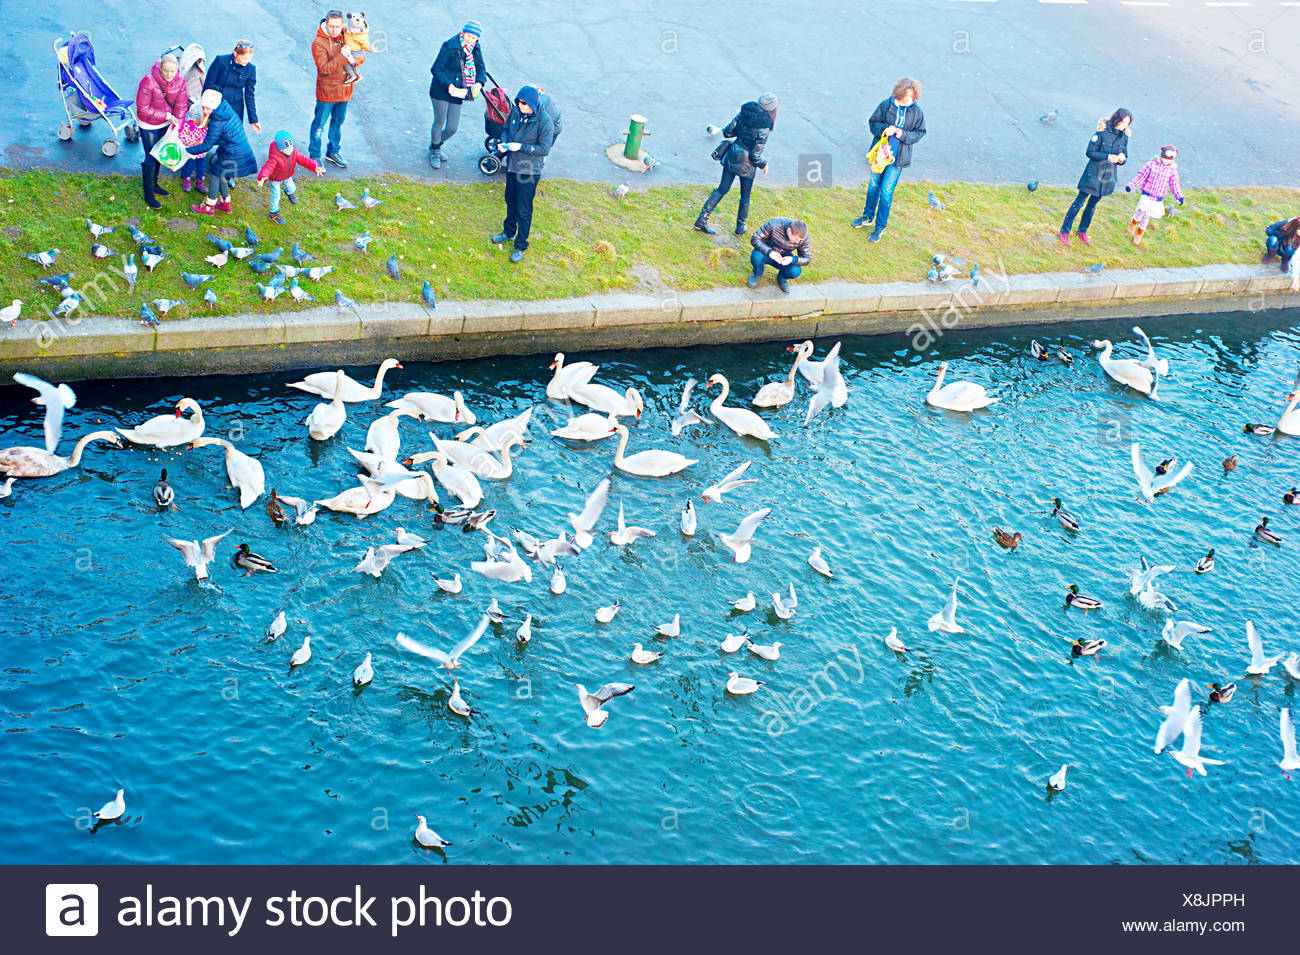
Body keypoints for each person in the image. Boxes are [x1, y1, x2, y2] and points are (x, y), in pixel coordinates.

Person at [851, 77, 926, 242]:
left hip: (897, 159)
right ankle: (867, 216)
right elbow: (873, 123)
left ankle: (879, 228)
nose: (908, 100)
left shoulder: (916, 112)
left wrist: (904, 135)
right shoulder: (886, 105)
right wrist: (885, 129)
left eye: (911, 97)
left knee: (886, 192)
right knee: (873, 187)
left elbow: (920, 132)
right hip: (880, 155)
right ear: (898, 93)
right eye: (906, 96)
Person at [490, 85, 556, 264]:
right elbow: (505, 130)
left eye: (524, 104)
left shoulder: (545, 122)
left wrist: (521, 147)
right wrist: (504, 142)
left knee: (524, 208)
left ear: (533, 105)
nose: (520, 107)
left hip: (529, 170)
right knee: (510, 200)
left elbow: (544, 149)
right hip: (513, 165)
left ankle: (520, 245)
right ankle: (508, 232)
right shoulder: (516, 112)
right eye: (519, 103)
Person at [694, 92, 777, 236]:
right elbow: (754, 156)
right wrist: (764, 164)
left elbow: (727, 132)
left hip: (733, 154)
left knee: (722, 189)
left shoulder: (745, 112)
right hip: (747, 164)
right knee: (745, 195)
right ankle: (740, 227)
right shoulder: (764, 127)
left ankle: (701, 220)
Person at [1058, 108, 1131, 246]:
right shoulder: (1101, 133)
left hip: (1107, 177)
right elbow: (1090, 152)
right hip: (1093, 174)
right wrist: (1108, 156)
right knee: (1078, 203)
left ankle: (1082, 231)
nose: (1124, 126)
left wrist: (1122, 158)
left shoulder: (1124, 137)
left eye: (1127, 123)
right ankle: (1064, 231)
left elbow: (1124, 156)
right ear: (1116, 119)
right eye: (1123, 122)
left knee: (1092, 206)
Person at [186, 90, 258, 215]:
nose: (206, 111)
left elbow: (206, 146)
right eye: (205, 107)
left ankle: (209, 206)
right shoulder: (225, 108)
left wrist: (186, 150)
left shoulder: (216, 122)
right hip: (238, 148)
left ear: (214, 106)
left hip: (232, 153)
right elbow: (221, 136)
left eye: (209, 108)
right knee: (222, 173)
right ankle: (225, 203)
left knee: (215, 173)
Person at [428, 21, 486, 169]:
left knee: (452, 127)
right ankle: (435, 151)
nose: (471, 40)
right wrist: (449, 85)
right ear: (463, 33)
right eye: (469, 36)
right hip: (441, 89)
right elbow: (436, 69)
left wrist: (479, 83)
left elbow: (481, 69)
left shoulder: (475, 48)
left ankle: (435, 144)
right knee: (439, 121)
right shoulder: (450, 46)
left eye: (474, 38)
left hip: (459, 91)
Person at [135, 53, 188, 210]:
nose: (169, 75)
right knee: (151, 157)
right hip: (149, 125)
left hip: (167, 122)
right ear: (160, 68)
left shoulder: (180, 81)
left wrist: (176, 125)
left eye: (173, 71)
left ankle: (155, 184)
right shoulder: (148, 81)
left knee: (160, 155)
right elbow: (142, 110)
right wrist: (166, 116)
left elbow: (182, 105)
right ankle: (148, 193)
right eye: (166, 71)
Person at [309, 11, 354, 167]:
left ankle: (333, 151)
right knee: (319, 125)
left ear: (342, 25)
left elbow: (358, 53)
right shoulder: (318, 43)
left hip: (345, 90)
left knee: (338, 123)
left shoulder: (345, 35)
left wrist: (356, 59)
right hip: (327, 93)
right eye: (331, 26)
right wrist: (342, 56)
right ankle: (314, 155)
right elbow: (324, 69)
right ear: (326, 24)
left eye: (337, 26)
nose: (335, 30)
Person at [256, 131, 325, 225]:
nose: (291, 150)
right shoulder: (274, 157)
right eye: (287, 148)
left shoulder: (294, 152)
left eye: (292, 147)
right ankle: (274, 214)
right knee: (276, 196)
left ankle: (288, 192)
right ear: (280, 149)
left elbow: (303, 160)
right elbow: (268, 168)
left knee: (292, 188)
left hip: (287, 176)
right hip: (275, 180)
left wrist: (314, 166)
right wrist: (263, 177)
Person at [1124, 145, 1185, 246]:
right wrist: (1131, 186)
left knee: (1147, 216)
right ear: (1161, 156)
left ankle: (1139, 235)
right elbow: (1141, 176)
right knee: (1141, 211)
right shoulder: (1151, 164)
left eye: (1169, 160)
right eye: (1164, 158)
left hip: (1157, 199)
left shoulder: (1172, 171)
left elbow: (1174, 184)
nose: (1166, 161)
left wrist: (1179, 197)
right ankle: (1133, 224)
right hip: (1147, 195)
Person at [203, 40, 260, 134]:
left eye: (249, 58)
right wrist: (206, 104)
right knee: (211, 134)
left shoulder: (251, 69)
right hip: (215, 102)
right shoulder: (220, 61)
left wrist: (253, 120)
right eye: (244, 58)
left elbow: (249, 95)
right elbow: (208, 84)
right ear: (235, 54)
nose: (247, 61)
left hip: (235, 106)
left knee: (232, 135)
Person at [748, 217, 812, 292]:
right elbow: (755, 239)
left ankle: (782, 278)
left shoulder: (803, 237)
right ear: (789, 231)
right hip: (767, 252)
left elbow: (807, 258)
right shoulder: (774, 223)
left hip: (784, 257)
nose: (797, 242)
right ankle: (757, 274)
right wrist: (770, 252)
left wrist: (792, 259)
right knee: (756, 256)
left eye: (800, 240)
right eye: (795, 239)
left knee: (795, 271)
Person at [176, 43, 208, 194]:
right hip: (190, 149)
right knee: (188, 163)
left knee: (201, 165)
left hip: (201, 149)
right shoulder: (188, 125)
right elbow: (182, 135)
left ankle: (200, 180)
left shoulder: (205, 124)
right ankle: (186, 179)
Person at [1262, 217, 1300, 291]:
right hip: (1278, 245)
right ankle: (1270, 255)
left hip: (1287, 250)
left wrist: (1295, 278)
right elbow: (1269, 230)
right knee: (1273, 240)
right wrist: (1282, 234)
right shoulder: (1286, 224)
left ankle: (1285, 260)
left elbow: (1297, 257)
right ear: (1295, 227)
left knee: (1291, 248)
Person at [342, 12, 374, 85]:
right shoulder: (348, 29)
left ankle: (352, 75)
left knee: (345, 62)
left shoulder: (361, 36)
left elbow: (365, 44)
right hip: (350, 50)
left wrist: (370, 49)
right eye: (353, 28)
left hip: (355, 53)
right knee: (353, 65)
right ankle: (358, 75)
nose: (354, 30)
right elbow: (344, 27)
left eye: (357, 29)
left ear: (361, 28)